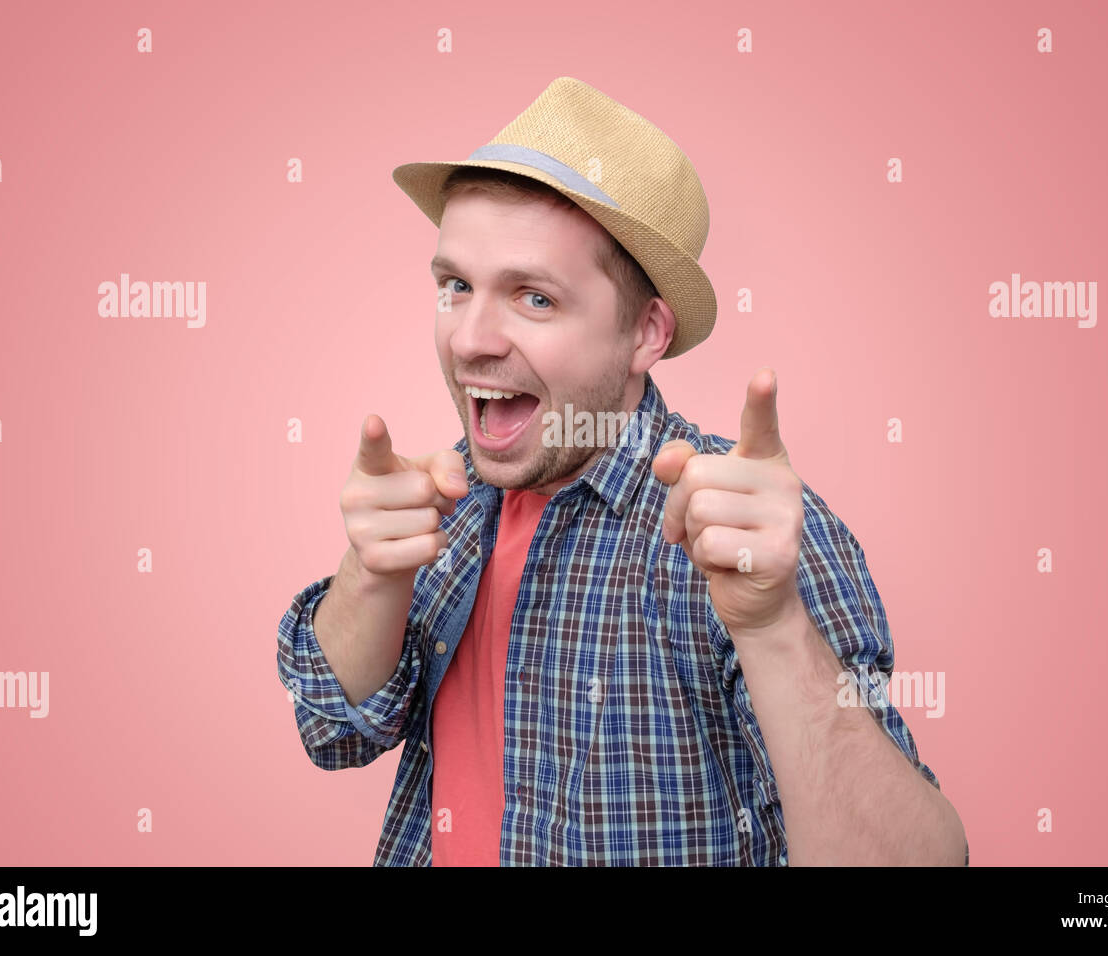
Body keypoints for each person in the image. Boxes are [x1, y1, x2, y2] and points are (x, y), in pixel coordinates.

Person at [276, 76, 967, 866]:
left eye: (533, 298)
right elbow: (331, 732)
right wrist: (371, 575)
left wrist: (773, 627)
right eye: (456, 286)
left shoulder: (741, 534)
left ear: (646, 332)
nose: (470, 338)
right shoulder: (448, 503)